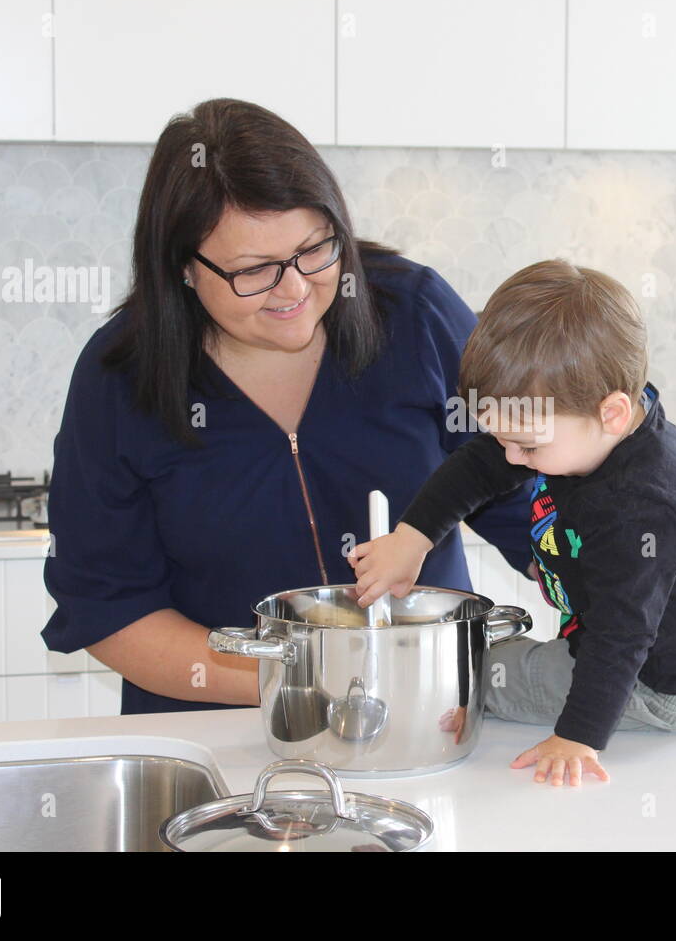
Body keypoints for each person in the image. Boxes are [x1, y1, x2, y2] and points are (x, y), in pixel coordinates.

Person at [41, 98, 534, 715]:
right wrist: (307, 692)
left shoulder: (413, 313)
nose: (296, 289)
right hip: (224, 735)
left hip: (427, 717)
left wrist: (622, 592)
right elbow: (108, 607)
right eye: (255, 271)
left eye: (315, 249)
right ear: (183, 269)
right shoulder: (121, 376)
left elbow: (532, 488)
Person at [348, 259, 676, 786]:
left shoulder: (645, 503)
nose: (511, 458)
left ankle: (472, 702)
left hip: (666, 687)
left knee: (473, 674)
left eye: (527, 446)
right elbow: (477, 466)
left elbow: (620, 637)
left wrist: (576, 737)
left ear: (611, 413)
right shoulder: (580, 417)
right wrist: (412, 538)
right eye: (502, 439)